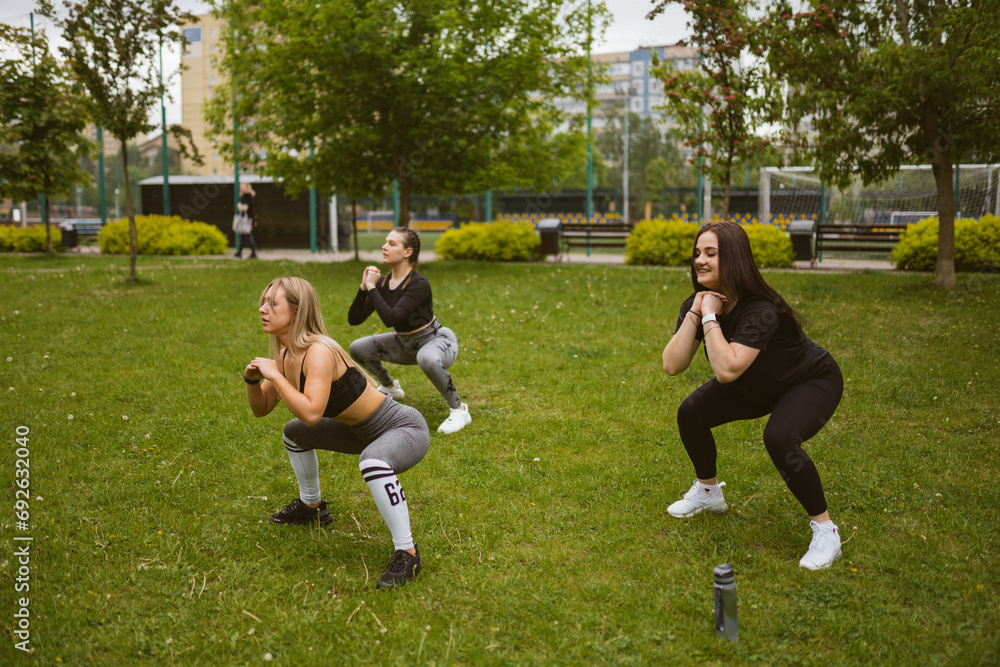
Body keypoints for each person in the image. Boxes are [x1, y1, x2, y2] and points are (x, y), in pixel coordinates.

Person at [661, 222, 844, 570]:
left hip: (808, 380)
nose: (700, 260)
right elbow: (672, 365)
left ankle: (826, 530)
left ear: (733, 258)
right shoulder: (699, 302)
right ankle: (708, 492)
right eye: (697, 253)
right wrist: (697, 311)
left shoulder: (762, 309)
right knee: (691, 412)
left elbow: (727, 369)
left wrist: (710, 316)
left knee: (779, 437)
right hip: (757, 384)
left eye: (711, 253)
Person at [244, 277, 430, 589]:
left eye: (272, 303)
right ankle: (311, 507)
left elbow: (312, 413)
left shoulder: (318, 351)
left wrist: (275, 376)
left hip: (403, 428)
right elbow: (261, 408)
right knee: (294, 432)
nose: (262, 309)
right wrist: (253, 381)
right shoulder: (286, 356)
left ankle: (408, 553)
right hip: (359, 432)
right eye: (263, 302)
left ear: (296, 310)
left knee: (372, 461)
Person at [347, 227, 471, 434]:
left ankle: (459, 409)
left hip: (437, 341)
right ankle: (390, 387)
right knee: (357, 348)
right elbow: (354, 319)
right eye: (385, 242)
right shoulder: (384, 283)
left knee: (426, 358)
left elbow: (392, 318)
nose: (384, 247)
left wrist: (372, 288)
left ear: (407, 252)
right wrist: (363, 288)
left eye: (392, 244)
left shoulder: (419, 284)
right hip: (404, 343)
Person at [234, 182, 259, 259]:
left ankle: (253, 252)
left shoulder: (248, 196)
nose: (241, 188)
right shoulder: (245, 196)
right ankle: (240, 252)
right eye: (240, 187)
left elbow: (251, 208)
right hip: (247, 218)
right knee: (243, 235)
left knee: (248, 234)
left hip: (247, 219)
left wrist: (254, 219)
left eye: (242, 187)